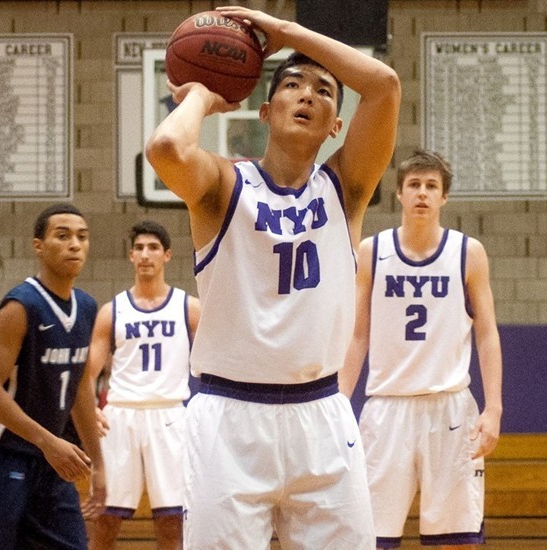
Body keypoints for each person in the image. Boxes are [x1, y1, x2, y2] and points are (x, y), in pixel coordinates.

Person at [144, 5, 401, 549]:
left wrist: (284, 33)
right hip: (229, 420)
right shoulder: (222, 185)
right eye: (292, 84)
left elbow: (382, 85)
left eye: (325, 90)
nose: (308, 93)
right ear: (264, 111)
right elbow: (167, 148)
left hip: (322, 416)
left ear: (337, 125)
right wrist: (201, 95)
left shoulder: (346, 188)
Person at [340, 150, 503, 549]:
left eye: (432, 186)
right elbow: (357, 335)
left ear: (444, 197)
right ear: (398, 193)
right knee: (370, 537)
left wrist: (493, 408)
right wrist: (339, 404)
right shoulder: (371, 252)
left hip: (449, 407)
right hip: (386, 409)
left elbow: (487, 334)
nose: (422, 194)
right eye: (414, 185)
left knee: (457, 539)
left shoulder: (469, 253)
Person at [0, 203, 105, 550]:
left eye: (82, 237)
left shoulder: (87, 308)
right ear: (38, 246)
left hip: (53, 467)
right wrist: (48, 442)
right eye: (62, 236)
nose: (74, 244)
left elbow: (79, 390)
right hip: (2, 458)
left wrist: (99, 463)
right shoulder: (21, 306)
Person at [86, 221, 200, 550]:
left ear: (167, 255)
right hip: (121, 416)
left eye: (153, 248)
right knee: (105, 519)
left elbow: (218, 360)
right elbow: (89, 371)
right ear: (131, 256)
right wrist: (90, 407)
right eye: (139, 248)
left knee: (172, 522)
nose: (145, 254)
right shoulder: (112, 311)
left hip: (170, 416)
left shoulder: (188, 307)